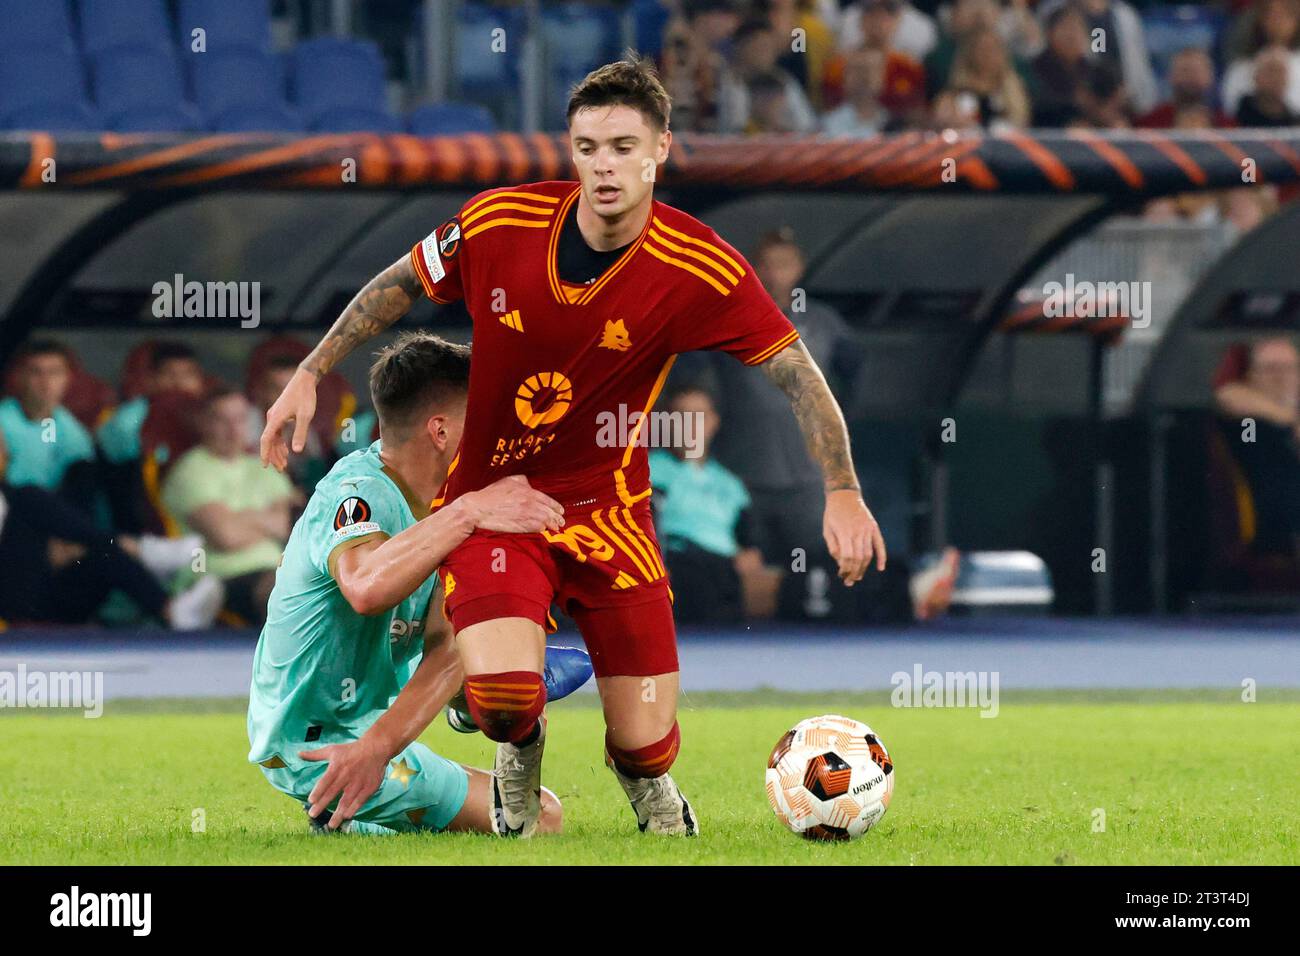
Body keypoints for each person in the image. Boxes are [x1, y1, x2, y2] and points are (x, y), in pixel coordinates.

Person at [261, 54, 886, 839]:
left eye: (623, 146)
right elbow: (396, 285)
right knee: (505, 699)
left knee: (647, 741)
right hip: (493, 503)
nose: (604, 166)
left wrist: (843, 489)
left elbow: (795, 373)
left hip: (610, 511)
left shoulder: (702, 268)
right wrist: (311, 371)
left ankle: (644, 779)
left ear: (660, 149)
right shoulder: (499, 224)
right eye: (588, 147)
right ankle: (519, 753)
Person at [249, 331, 591, 835]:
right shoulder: (358, 493)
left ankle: (471, 700)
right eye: (484, 420)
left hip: (370, 723)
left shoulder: (450, 502)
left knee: (470, 647)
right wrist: (468, 513)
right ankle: (347, 802)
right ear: (441, 431)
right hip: (313, 744)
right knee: (542, 818)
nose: (497, 435)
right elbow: (365, 589)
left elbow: (445, 645)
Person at [0, 432, 222, 629]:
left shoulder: (14, 495)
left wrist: (65, 550)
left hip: (47, 597)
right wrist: (42, 552)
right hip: (12, 602)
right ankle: (143, 550)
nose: (4, 454)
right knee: (30, 500)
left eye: (3, 447)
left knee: (103, 551)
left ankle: (171, 610)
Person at [163, 387, 296, 626]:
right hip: (216, 577)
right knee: (286, 590)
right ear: (203, 422)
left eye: (240, 419)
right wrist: (261, 519)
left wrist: (239, 517)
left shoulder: (264, 466)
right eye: (222, 420)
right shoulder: (191, 470)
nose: (233, 430)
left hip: (274, 568)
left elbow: (283, 526)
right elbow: (226, 537)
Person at [649, 386, 780, 623]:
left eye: (698, 416)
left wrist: (750, 556)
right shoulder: (649, 471)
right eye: (681, 416)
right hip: (676, 566)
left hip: (724, 573)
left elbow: (751, 544)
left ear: (713, 422)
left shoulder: (730, 484)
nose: (689, 425)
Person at [1213, 337, 1300, 560]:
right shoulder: (1248, 427)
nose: (1281, 376)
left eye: (1289, 368)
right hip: (1272, 547)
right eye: (1271, 369)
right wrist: (1287, 419)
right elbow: (1229, 398)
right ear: (1251, 376)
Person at [0, 340, 95, 494]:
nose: (45, 382)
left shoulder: (74, 432)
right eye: (36, 372)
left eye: (54, 372)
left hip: (49, 509)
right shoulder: (3, 419)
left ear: (68, 378)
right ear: (20, 376)